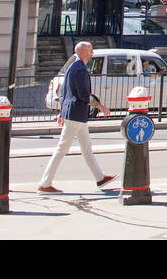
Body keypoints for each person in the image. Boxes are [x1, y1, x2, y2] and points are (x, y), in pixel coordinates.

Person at [38, 41, 116, 194]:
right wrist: (100, 107)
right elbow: (83, 95)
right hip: (76, 114)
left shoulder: (72, 67)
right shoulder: (80, 69)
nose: (92, 53)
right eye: (90, 50)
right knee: (62, 149)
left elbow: (66, 93)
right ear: (83, 52)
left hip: (75, 114)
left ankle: (100, 178)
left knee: (86, 149)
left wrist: (62, 112)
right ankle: (45, 184)